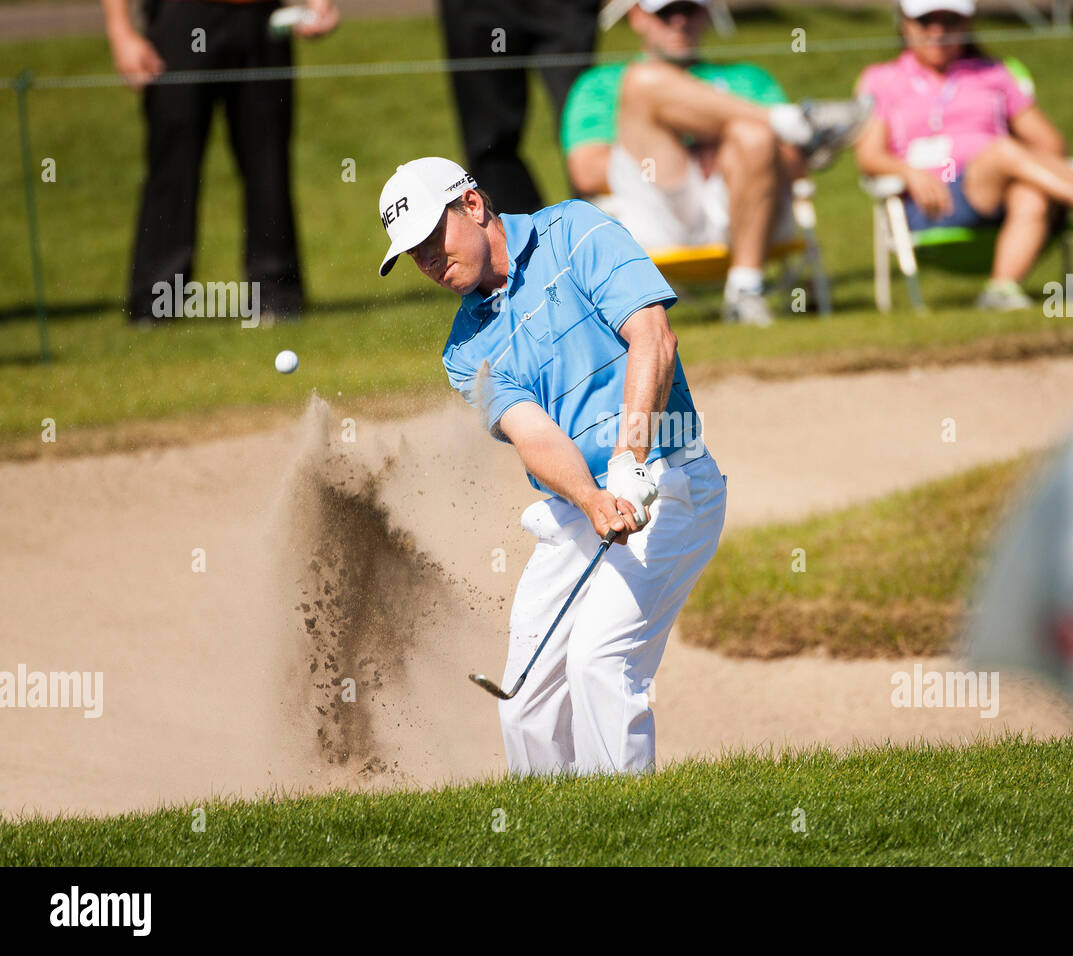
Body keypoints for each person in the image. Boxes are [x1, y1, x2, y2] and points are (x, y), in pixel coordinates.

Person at [376, 156, 727, 777]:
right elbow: (532, 434)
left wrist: (628, 459)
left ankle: (626, 833)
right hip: (580, 511)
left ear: (474, 206)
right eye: (414, 255)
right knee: (525, 707)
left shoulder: (577, 231)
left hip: (671, 481)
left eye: (434, 240)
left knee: (600, 659)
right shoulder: (463, 351)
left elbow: (654, 335)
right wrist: (593, 499)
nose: (428, 262)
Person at [854, 0, 1073, 311]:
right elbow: (868, 156)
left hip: (998, 190)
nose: (938, 32)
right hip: (931, 201)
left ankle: (1001, 290)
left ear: (967, 23)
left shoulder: (993, 73)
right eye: (926, 21)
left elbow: (1050, 143)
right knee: (1002, 149)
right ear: (905, 25)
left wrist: (1017, 168)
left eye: (950, 20)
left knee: (1030, 192)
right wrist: (910, 173)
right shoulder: (881, 79)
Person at [561, 0, 868, 326]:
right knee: (642, 82)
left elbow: (793, 165)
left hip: (740, 206)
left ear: (706, 14)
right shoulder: (600, 84)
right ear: (638, 17)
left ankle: (745, 290)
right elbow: (587, 171)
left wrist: (722, 141)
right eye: (665, 13)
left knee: (752, 136)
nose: (679, 21)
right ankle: (795, 121)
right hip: (658, 208)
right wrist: (685, 139)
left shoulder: (748, 78)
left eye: (689, 10)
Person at [101, 0, 339, 326]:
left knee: (269, 162)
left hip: (262, 15)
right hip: (180, 16)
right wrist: (120, 32)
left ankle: (277, 296)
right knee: (172, 161)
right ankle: (155, 301)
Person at [440, 0, 602, 214]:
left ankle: (597, 234)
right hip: (479, 8)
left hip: (562, 7)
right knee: (489, 144)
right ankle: (522, 241)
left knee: (587, 130)